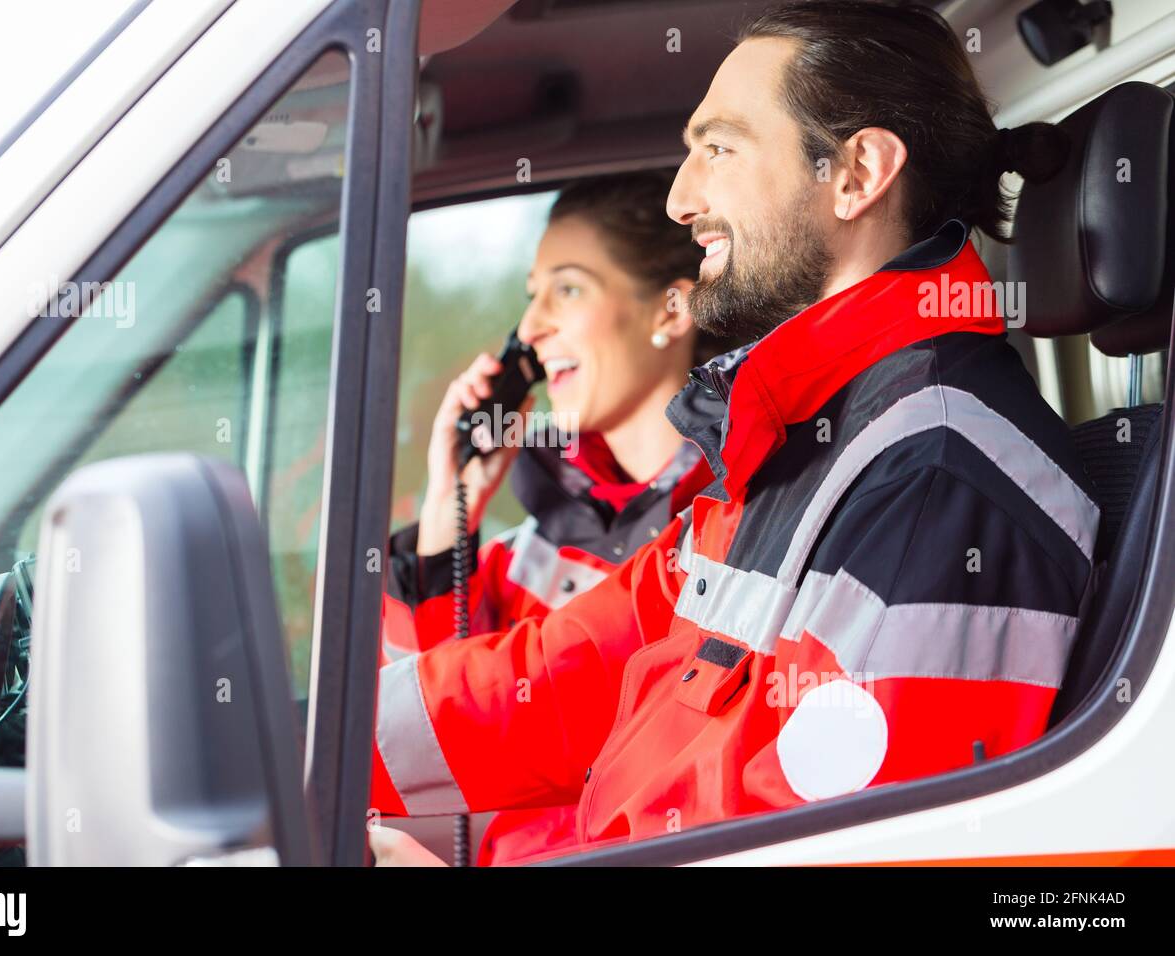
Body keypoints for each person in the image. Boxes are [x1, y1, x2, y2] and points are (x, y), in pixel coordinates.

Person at [370, 0, 1093, 865]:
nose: (682, 197)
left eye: (718, 149)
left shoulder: (937, 480)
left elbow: (816, 850)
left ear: (858, 172)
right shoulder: (799, 445)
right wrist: (324, 749)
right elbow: (557, 679)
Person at [381, 171, 738, 865]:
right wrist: (448, 500)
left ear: (671, 311)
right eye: (530, 298)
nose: (530, 329)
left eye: (567, 290)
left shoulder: (733, 524)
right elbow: (415, 701)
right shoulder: (530, 548)